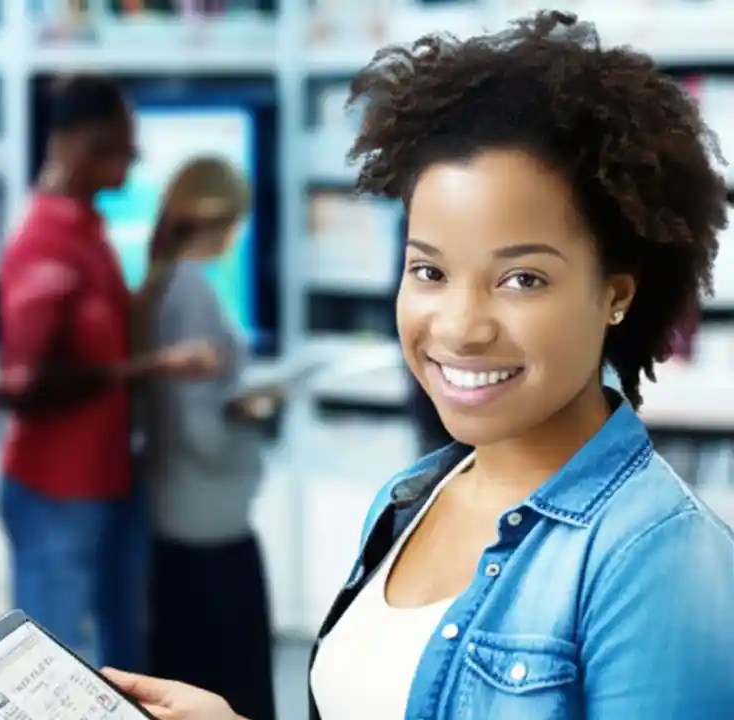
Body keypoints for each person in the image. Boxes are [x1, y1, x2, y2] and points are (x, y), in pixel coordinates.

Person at [108, 11, 734, 719]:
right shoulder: (406, 501)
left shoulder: (660, 563)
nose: (460, 328)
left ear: (615, 294)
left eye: (521, 279)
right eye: (429, 271)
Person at [0, 74, 218, 671]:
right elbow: (26, 384)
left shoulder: (88, 226)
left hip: (110, 479)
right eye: (118, 146)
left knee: (123, 665)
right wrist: (154, 365)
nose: (129, 161)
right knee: (48, 678)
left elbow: (105, 335)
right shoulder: (42, 241)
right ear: (75, 145)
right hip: (57, 491)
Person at [132, 157, 275, 720]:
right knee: (226, 680)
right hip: (207, 515)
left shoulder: (165, 284)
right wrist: (247, 415)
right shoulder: (191, 291)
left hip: (182, 507)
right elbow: (197, 424)